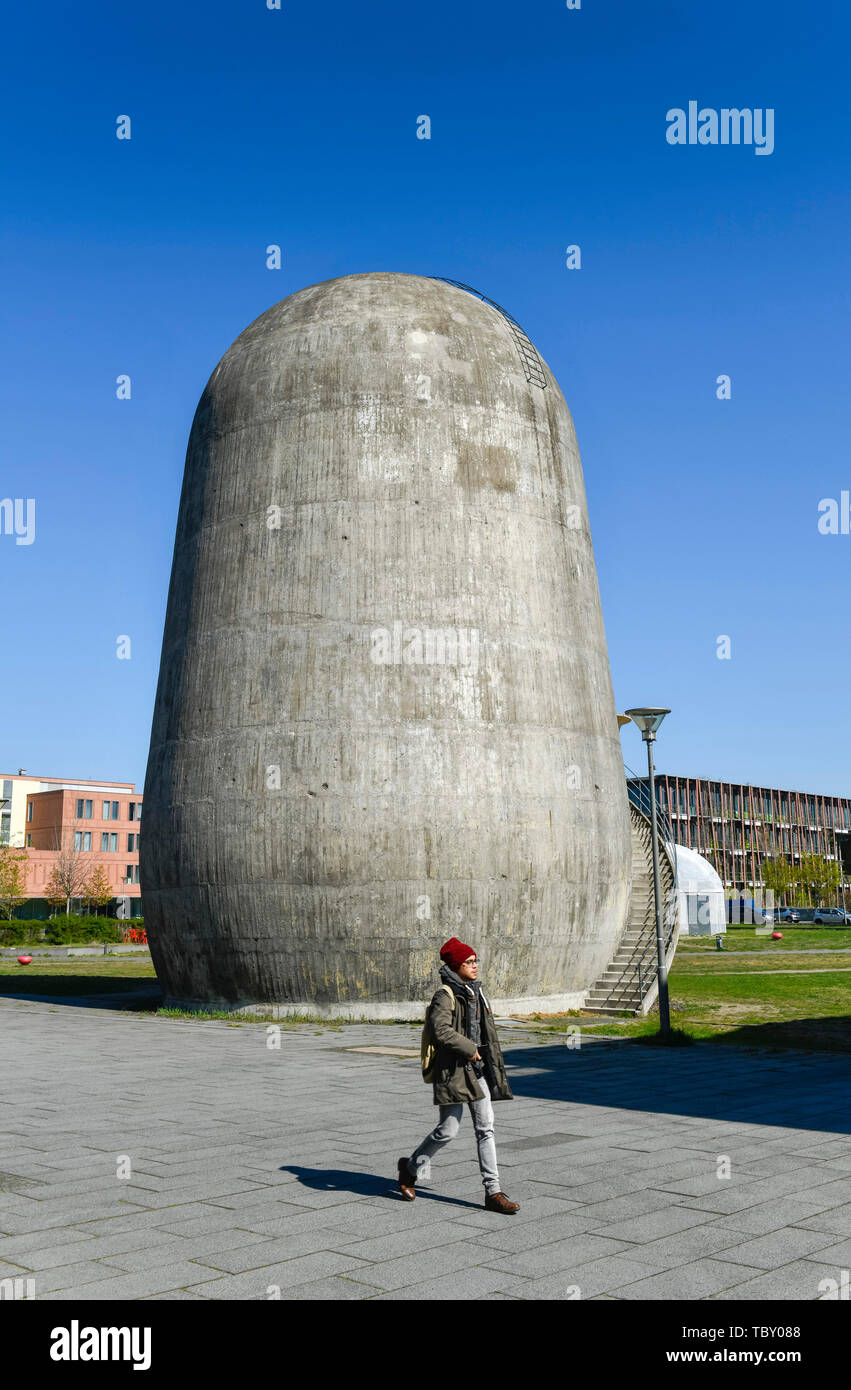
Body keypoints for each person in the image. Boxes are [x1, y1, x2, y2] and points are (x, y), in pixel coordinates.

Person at [398, 938, 519, 1214]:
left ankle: (493, 1191)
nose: (475, 966)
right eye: (469, 962)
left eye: (476, 961)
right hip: (453, 1071)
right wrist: (469, 1049)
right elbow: (440, 1031)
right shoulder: (445, 995)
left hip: (477, 1072)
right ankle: (409, 1169)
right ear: (456, 965)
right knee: (447, 1131)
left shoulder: (477, 991)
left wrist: (490, 1061)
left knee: (485, 1127)